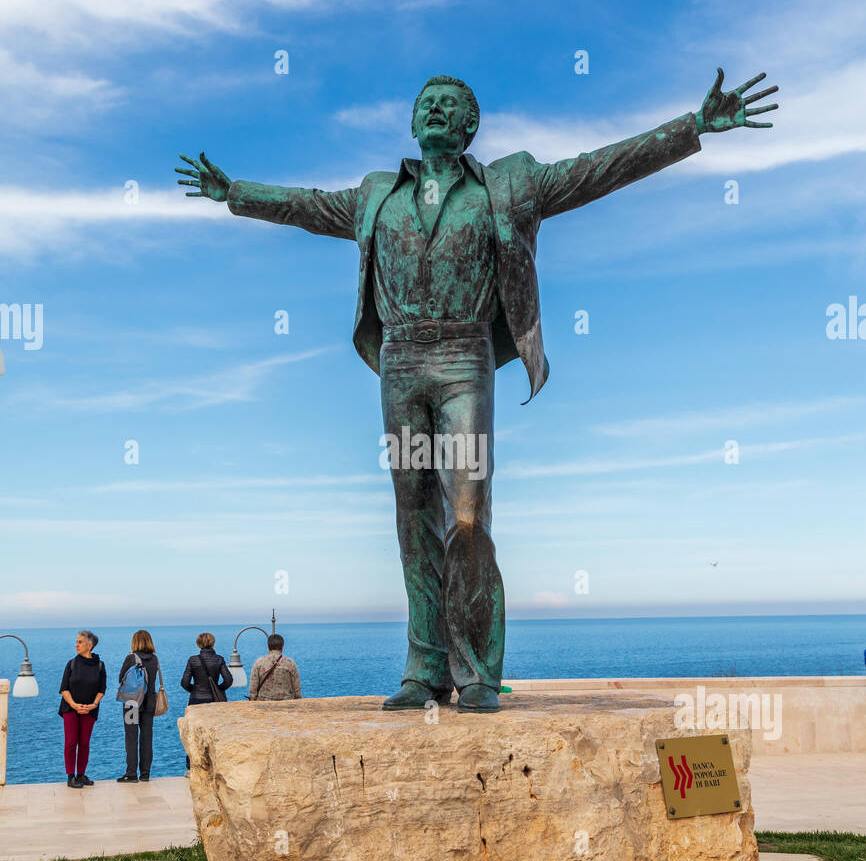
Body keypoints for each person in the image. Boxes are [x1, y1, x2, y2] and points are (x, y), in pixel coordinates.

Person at [177, 66, 778, 714]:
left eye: (450, 105)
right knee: (413, 516)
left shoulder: (510, 184)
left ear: (469, 126)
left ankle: (477, 672)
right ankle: (424, 667)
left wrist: (690, 128)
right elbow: (306, 205)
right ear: (413, 123)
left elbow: (600, 168)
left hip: (465, 356)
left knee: (466, 512)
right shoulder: (377, 194)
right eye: (426, 104)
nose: (435, 110)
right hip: (402, 361)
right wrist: (234, 191)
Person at [59, 630, 106, 788]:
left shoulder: (100, 665)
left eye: (80, 642)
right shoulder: (71, 663)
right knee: (71, 742)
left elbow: (102, 689)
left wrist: (93, 705)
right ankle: (71, 776)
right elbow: (64, 688)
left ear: (89, 645)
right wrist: (74, 705)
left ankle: (81, 775)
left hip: (89, 710)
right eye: (77, 641)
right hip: (70, 708)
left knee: (84, 743)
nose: (76, 645)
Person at [180, 633, 233, 774]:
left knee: (192, 735)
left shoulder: (193, 660)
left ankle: (190, 768)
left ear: (199, 644)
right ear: (213, 643)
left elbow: (184, 682)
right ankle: (213, 767)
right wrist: (218, 689)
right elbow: (229, 680)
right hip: (214, 701)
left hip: (196, 700)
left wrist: (194, 690)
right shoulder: (219, 659)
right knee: (214, 734)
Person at [117, 630, 162, 784]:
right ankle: (145, 774)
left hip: (132, 703)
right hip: (149, 703)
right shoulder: (155, 659)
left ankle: (131, 774)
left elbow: (120, 678)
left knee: (131, 737)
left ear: (135, 642)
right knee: (146, 738)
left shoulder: (131, 658)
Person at [248, 634, 302, 701]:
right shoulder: (290, 663)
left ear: (268, 647)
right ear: (282, 647)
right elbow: (297, 688)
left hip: (263, 704)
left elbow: (253, 688)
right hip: (287, 704)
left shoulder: (259, 663)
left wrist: (253, 701)